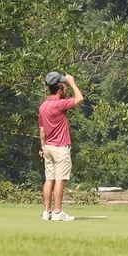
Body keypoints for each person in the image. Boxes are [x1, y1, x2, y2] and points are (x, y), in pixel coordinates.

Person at [39, 70, 84, 222]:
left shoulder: (43, 106)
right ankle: (58, 212)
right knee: (60, 180)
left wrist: (43, 148)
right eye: (64, 86)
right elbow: (79, 99)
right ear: (59, 89)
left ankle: (47, 212)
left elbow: (42, 130)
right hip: (60, 148)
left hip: (48, 148)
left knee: (48, 179)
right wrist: (72, 83)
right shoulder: (60, 104)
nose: (65, 88)